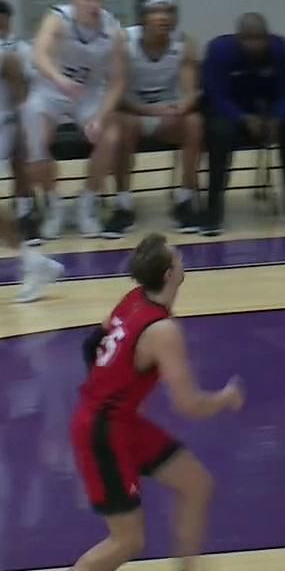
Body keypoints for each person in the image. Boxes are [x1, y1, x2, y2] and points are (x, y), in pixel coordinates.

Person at [70, 233, 244, 571]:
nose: (182, 259)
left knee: (196, 485)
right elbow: (188, 405)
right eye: (177, 256)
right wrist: (226, 398)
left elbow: (91, 344)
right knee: (128, 541)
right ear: (168, 273)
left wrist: (113, 387)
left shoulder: (132, 298)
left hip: (119, 419)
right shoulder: (163, 332)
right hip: (101, 430)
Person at [22, 0, 126, 240]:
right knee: (34, 142)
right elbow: (39, 55)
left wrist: (101, 117)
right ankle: (54, 204)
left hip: (87, 94)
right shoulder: (57, 18)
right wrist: (60, 80)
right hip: (51, 88)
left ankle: (87, 203)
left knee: (110, 137)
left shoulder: (113, 30)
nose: (93, 3)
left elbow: (118, 81)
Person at [201, 12, 285, 237]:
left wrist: (276, 118)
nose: (255, 44)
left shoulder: (280, 50)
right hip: (229, 115)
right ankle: (213, 210)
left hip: (266, 115)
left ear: (268, 37)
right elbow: (216, 96)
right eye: (249, 39)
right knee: (219, 132)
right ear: (238, 38)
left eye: (260, 38)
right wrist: (242, 118)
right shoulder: (220, 51)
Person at [106, 0, 203, 238]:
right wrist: (148, 110)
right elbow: (117, 95)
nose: (163, 17)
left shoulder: (184, 43)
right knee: (119, 124)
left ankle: (184, 199)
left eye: (169, 11)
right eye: (156, 12)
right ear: (142, 17)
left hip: (167, 115)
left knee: (194, 123)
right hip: (134, 112)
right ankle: (123, 203)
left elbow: (191, 92)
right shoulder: (124, 42)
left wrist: (183, 107)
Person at [1, 47, 64, 303]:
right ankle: (35, 261)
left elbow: (23, 101)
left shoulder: (8, 57)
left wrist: (29, 146)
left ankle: (35, 262)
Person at [0, 0, 40, 245]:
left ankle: (26, 210)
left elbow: (33, 83)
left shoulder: (23, 48)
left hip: (13, 118)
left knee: (22, 148)